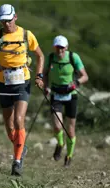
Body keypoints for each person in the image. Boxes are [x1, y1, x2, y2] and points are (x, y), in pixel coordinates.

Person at [0, 4, 44, 176]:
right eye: (3, 21)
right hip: (3, 82)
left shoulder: (26, 35)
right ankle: (20, 146)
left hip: (22, 81)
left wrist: (39, 76)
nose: (6, 24)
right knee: (9, 126)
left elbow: (40, 55)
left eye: (8, 20)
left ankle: (17, 161)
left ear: (15, 17)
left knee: (18, 119)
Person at [43, 35, 88, 167]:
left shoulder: (74, 57)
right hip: (56, 94)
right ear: (54, 47)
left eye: (62, 48)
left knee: (70, 129)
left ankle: (68, 156)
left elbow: (85, 76)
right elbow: (45, 74)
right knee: (57, 126)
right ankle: (60, 143)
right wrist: (46, 86)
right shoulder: (51, 58)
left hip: (71, 95)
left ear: (66, 47)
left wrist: (76, 83)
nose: (60, 50)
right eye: (57, 47)